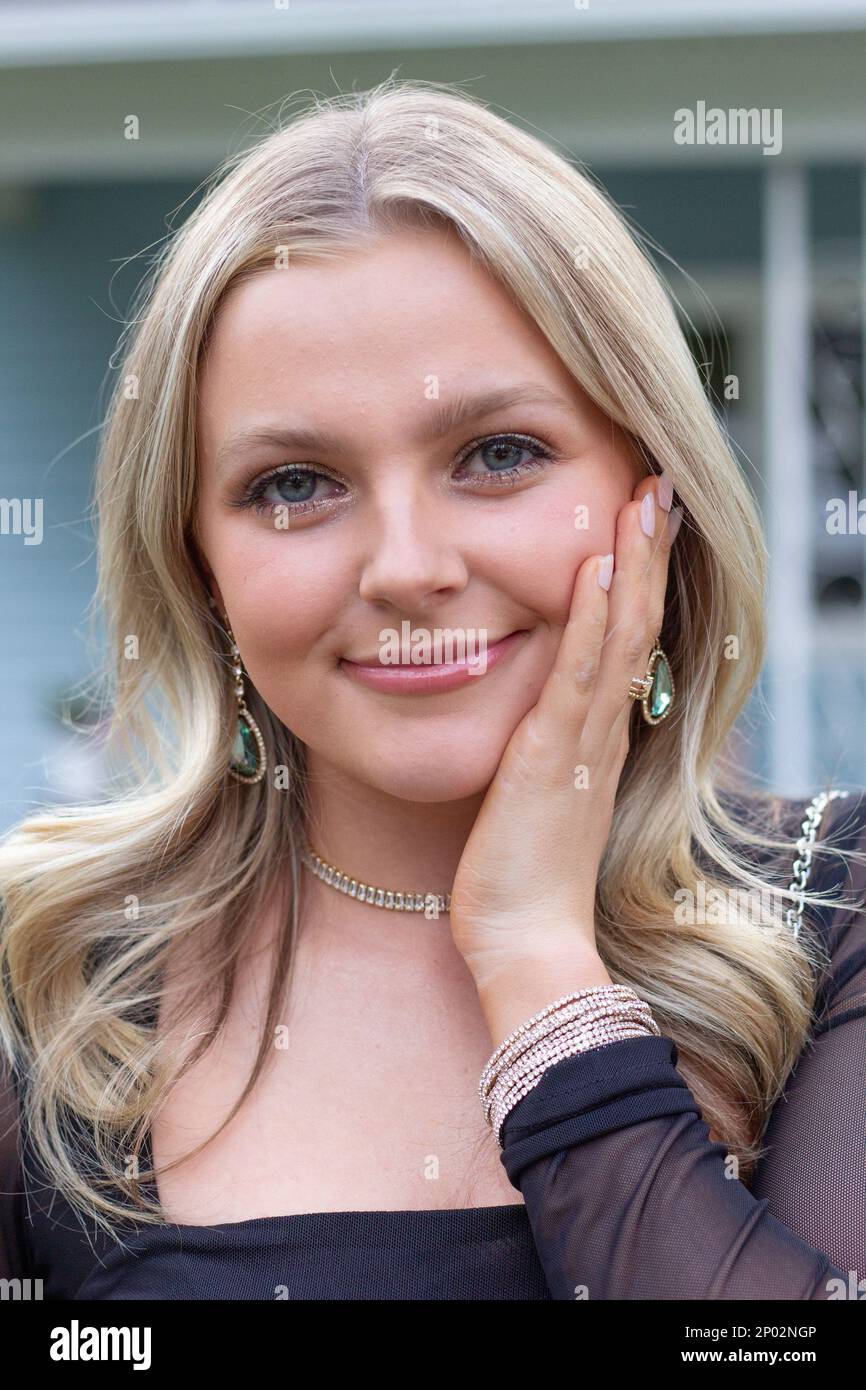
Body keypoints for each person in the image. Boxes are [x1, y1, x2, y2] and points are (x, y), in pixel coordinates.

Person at [1, 77, 865, 1301]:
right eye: (295, 483)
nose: (406, 568)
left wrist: (533, 958)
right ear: (199, 566)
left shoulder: (830, 917)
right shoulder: (50, 985)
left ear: (653, 492)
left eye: (496, 455)